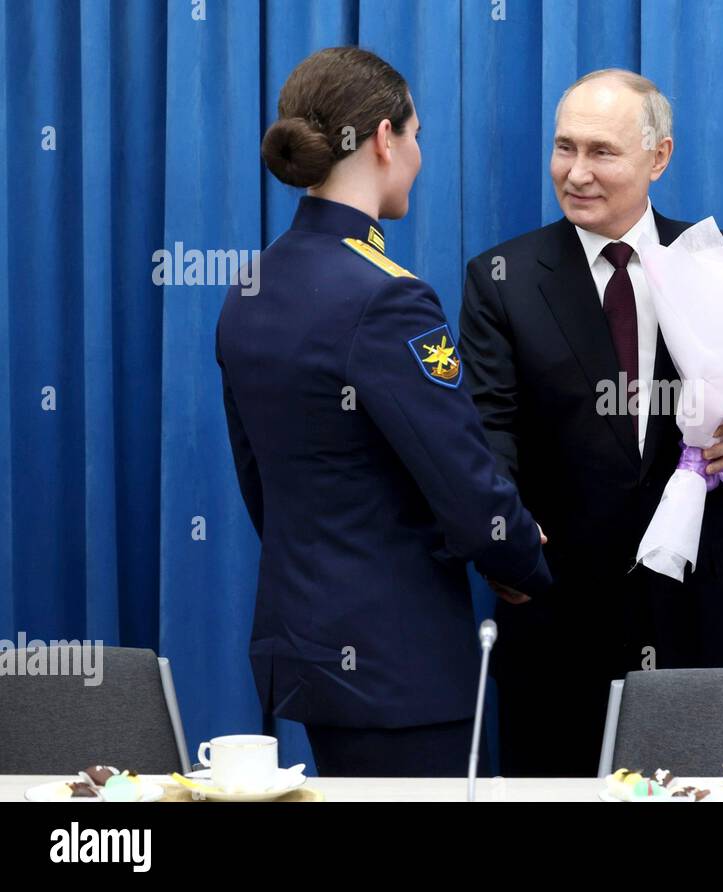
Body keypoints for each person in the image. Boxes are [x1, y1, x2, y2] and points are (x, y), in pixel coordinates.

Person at [459, 69, 723, 776]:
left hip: (692, 609)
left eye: (602, 152)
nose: (576, 173)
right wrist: (507, 535)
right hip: (556, 612)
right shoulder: (501, 276)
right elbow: (487, 423)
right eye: (564, 148)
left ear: (659, 157)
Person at [216, 46, 550, 777]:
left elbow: (260, 483)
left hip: (307, 647)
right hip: (402, 664)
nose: (420, 154)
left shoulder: (250, 286)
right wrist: (521, 556)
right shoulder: (389, 296)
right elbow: (461, 479)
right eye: (418, 133)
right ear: (383, 140)